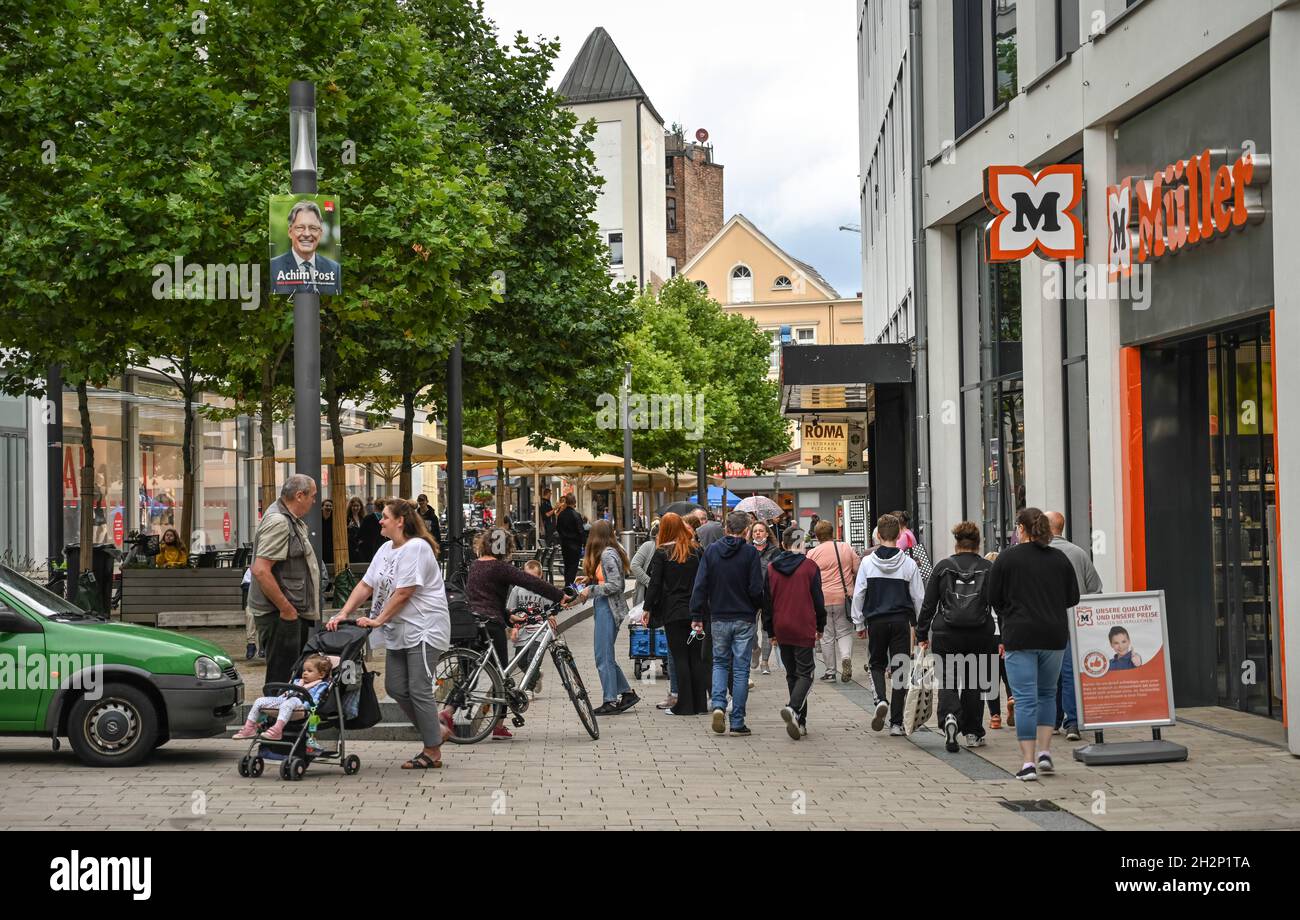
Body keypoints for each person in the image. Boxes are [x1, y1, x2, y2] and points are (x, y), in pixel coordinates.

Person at [328, 499, 453, 769]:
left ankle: (432, 750)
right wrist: (343, 613)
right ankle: (436, 730)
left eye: (384, 517)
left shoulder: (416, 548)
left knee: (419, 688)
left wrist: (377, 620)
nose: (380, 520)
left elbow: (405, 592)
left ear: (400, 521)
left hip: (424, 628)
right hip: (399, 628)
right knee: (395, 686)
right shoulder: (386, 549)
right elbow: (366, 584)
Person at [986, 508, 1081, 781]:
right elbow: (1072, 598)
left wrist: (1011, 612)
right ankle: (1045, 753)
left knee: (1025, 698)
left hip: (1020, 635)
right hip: (1053, 635)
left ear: (1021, 529)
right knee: (1047, 694)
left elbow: (993, 597)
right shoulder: (1059, 559)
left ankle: (1028, 763)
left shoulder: (1007, 559)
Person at [466, 527, 567, 738]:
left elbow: (482, 597)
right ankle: (499, 726)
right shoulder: (500, 567)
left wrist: (507, 614)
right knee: (500, 675)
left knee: (471, 670)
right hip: (491, 625)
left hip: (472, 622)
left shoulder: (475, 566)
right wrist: (559, 595)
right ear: (505, 548)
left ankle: (449, 710)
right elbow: (530, 581)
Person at [917, 522, 996, 752]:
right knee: (974, 682)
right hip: (980, 633)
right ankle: (973, 732)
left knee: (948, 679)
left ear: (957, 543)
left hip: (946, 633)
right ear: (978, 544)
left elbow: (929, 604)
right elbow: (998, 604)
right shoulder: (988, 568)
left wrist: (922, 633)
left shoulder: (943, 567)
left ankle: (950, 717)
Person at [690, 511, 765, 736]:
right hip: (744, 616)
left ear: (726, 529)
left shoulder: (711, 551)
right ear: (746, 531)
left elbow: (700, 584)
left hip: (719, 616)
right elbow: (755, 588)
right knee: (741, 670)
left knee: (720, 664)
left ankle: (719, 706)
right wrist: (758, 605)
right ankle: (738, 721)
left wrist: (696, 615)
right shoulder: (750, 553)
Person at [851, 513, 925, 736]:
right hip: (901, 621)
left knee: (876, 662)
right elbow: (919, 597)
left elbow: (859, 593)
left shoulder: (867, 562)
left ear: (878, 536)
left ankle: (881, 699)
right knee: (900, 667)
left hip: (876, 620)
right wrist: (920, 624)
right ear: (899, 534)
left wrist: (858, 622)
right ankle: (896, 722)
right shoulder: (909, 563)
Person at [247, 475, 321, 687]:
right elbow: (261, 570)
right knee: (282, 678)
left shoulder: (286, 516)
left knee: (290, 675)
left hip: (287, 611)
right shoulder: (279, 521)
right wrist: (286, 609)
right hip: (281, 615)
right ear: (299, 496)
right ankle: (276, 717)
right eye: (312, 496)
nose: (314, 501)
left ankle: (285, 717)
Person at [762, 528, 825, 740]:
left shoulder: (771, 568)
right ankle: (793, 708)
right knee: (806, 673)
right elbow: (818, 600)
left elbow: (767, 603)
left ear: (782, 544)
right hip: (803, 624)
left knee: (792, 674)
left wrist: (770, 629)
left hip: (781, 626)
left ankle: (800, 720)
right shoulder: (810, 567)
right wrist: (821, 625)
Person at [1045, 511, 1103, 741]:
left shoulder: (1041, 554)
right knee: (1069, 673)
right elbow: (1096, 590)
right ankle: (1072, 722)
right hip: (1074, 624)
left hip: (1047, 624)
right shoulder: (1079, 553)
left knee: (1052, 674)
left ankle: (1057, 720)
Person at [572, 520, 639, 715]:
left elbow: (616, 585)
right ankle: (626, 692)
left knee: (603, 657)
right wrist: (590, 578)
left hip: (608, 608)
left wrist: (590, 589)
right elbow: (607, 580)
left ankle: (610, 700)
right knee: (605, 655)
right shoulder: (608, 552)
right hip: (605, 606)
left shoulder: (608, 554)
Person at [645, 513, 709, 716]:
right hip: (695, 611)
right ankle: (700, 704)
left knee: (680, 656)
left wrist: (647, 608)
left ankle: (684, 705)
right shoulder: (695, 550)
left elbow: (654, 583)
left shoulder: (663, 553)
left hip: (673, 611)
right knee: (695, 657)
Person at [807, 520, 860, 683]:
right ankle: (846, 657)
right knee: (844, 631)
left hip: (821, 599)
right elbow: (858, 569)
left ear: (816, 536)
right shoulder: (845, 547)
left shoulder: (812, 554)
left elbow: (808, 578)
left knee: (826, 635)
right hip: (843, 598)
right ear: (833, 533)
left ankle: (830, 672)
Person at [232, 654, 332, 741]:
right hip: (286, 702)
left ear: (321, 674)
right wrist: (280, 697)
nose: (305, 673)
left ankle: (277, 730)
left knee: (291, 701)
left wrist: (307, 706)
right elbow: (287, 693)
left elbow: (315, 701)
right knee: (259, 701)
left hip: (302, 707)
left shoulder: (321, 685)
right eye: (304, 670)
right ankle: (249, 728)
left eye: (309, 671)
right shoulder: (297, 682)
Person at [631, 525, 676, 710]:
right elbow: (634, 565)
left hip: (665, 600)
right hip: (647, 595)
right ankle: (648, 659)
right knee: (647, 628)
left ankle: (664, 658)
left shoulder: (670, 550)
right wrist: (651, 582)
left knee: (662, 631)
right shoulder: (649, 547)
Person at [269, 199, 341, 294]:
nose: (307, 234)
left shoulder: (334, 269)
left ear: (320, 233)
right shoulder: (273, 267)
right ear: (290, 232)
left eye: (313, 228)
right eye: (300, 228)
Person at [506, 559, 553, 695]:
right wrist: (514, 628)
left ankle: (528, 688)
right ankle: (536, 676)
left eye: (534, 578)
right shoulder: (517, 590)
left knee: (532, 660)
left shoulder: (544, 590)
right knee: (521, 661)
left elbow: (549, 609)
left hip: (540, 631)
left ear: (540, 576)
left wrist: (551, 617)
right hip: (523, 631)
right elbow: (512, 611)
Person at [983, 550, 1012, 729]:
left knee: (990, 679)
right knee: (1008, 675)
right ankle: (1011, 698)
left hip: (987, 635)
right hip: (1005, 634)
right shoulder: (1006, 586)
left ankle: (995, 717)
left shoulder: (983, 585)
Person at [749, 521, 780, 675]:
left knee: (767, 629)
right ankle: (755, 649)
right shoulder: (747, 550)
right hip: (751, 596)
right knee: (751, 629)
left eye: (761, 531)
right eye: (755, 531)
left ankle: (765, 662)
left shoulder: (775, 552)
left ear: (767, 534)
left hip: (769, 595)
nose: (758, 533)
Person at [555, 493, 586, 588]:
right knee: (573, 566)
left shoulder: (561, 515)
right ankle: (569, 586)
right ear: (574, 502)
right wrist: (584, 543)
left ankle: (567, 585)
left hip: (564, 544)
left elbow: (558, 529)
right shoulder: (576, 515)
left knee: (567, 565)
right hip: (575, 545)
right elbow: (581, 530)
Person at [357, 498, 384, 563]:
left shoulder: (368, 518)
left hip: (369, 549)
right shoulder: (386, 519)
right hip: (382, 548)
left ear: (375, 507)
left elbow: (360, 534)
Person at [346, 497, 367, 561]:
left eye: (357, 506)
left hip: (362, 548)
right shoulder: (347, 518)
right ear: (350, 507)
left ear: (361, 507)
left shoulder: (363, 518)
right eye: (353, 506)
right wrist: (347, 527)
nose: (355, 508)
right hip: (351, 548)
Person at [320, 499, 335, 563]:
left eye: (330, 506)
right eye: (326, 505)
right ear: (322, 507)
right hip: (321, 544)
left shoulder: (334, 519)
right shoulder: (318, 518)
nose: (328, 507)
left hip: (331, 545)